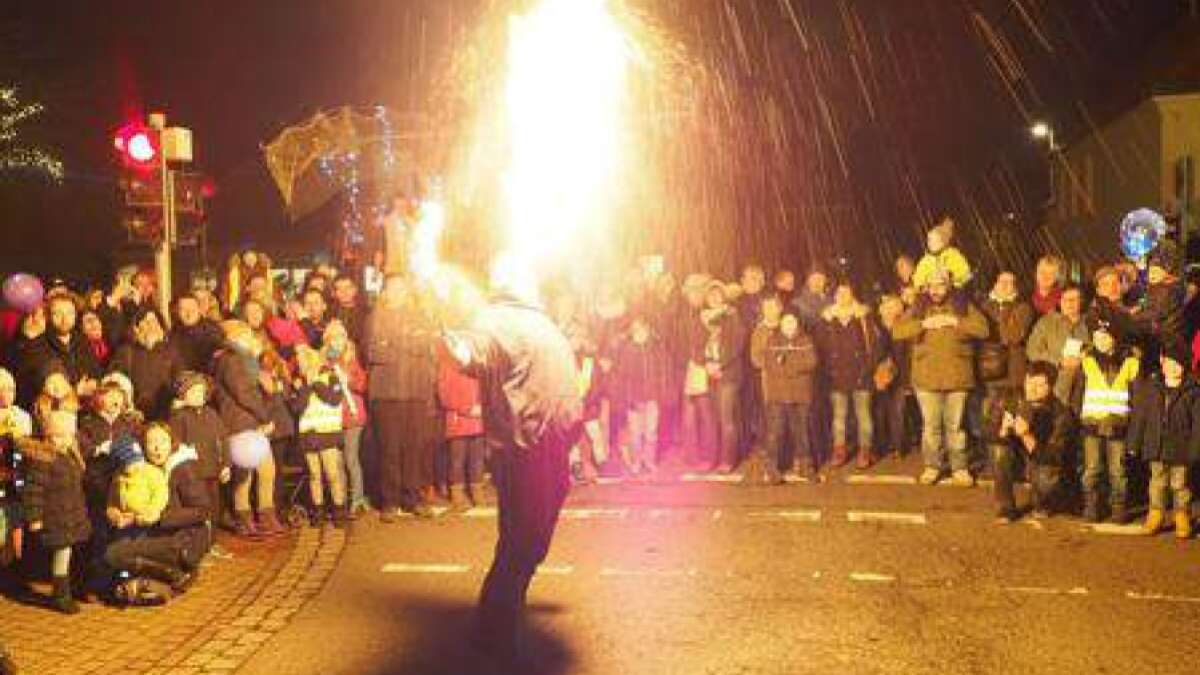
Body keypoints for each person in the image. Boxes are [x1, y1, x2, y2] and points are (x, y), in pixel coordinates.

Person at [442, 271, 583, 665]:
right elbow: (475, 352)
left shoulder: (538, 318)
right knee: (523, 543)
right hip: (525, 449)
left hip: (551, 444)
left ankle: (492, 625)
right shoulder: (496, 319)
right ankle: (496, 637)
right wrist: (458, 349)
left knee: (528, 543)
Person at [892, 271, 989, 485]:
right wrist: (923, 325)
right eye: (932, 286)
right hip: (926, 378)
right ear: (926, 288)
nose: (936, 290)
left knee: (955, 427)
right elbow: (897, 331)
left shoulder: (963, 305)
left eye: (941, 286)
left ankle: (959, 468)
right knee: (931, 426)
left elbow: (983, 330)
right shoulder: (917, 308)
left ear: (949, 286)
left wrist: (955, 321)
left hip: (957, 377)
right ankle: (932, 466)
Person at [104, 424, 207, 602]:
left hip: (183, 539)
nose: (157, 448)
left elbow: (203, 511)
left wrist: (160, 517)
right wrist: (115, 513)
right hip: (157, 533)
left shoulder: (183, 469)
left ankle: (175, 574)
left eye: (162, 441)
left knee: (115, 554)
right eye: (151, 442)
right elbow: (119, 499)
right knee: (116, 553)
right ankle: (150, 583)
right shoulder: (142, 470)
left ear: (172, 442)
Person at [367, 276, 440, 520]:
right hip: (386, 394)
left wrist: (394, 341)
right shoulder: (374, 318)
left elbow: (425, 346)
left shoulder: (420, 316)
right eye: (392, 288)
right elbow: (373, 351)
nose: (397, 292)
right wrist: (407, 341)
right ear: (384, 292)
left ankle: (413, 498)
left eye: (401, 288)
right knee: (389, 449)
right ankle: (390, 501)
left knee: (414, 448)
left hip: (415, 392)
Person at [213, 320, 282, 538]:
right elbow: (243, 393)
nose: (253, 338)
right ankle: (244, 518)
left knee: (265, 469)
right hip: (241, 421)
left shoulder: (243, 360)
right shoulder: (232, 360)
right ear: (237, 336)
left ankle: (265, 515)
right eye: (249, 334)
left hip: (248, 421)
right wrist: (264, 417)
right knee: (245, 472)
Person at [20, 410, 91, 613]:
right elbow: (34, 490)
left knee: (69, 552)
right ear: (48, 436)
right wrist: (35, 517)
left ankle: (68, 587)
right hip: (55, 517)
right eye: (58, 435)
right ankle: (60, 594)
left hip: (70, 515)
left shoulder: (71, 455)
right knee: (62, 553)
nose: (63, 440)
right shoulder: (44, 459)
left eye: (67, 435)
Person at [1127, 341, 1199, 538]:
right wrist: (1134, 442)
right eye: (1169, 362)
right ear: (1162, 362)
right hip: (1156, 446)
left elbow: (1197, 424)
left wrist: (1195, 449)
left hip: (1181, 449)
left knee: (1180, 484)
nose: (1173, 368)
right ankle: (1156, 513)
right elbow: (1140, 416)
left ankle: (1181, 514)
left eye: (1178, 364)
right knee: (1157, 483)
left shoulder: (1193, 391)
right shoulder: (1151, 387)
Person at [987, 362, 1075, 522]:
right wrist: (1003, 431)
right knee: (999, 451)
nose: (1032, 389)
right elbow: (990, 436)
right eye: (1029, 382)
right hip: (1017, 459)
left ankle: (1043, 503)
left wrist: (1026, 435)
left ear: (1051, 387)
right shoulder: (1010, 400)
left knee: (1047, 475)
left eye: (1039, 385)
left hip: (1042, 462)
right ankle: (1005, 508)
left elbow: (1053, 457)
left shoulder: (1061, 413)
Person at [1071, 324, 1139, 523]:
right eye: (1097, 337)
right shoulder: (1087, 361)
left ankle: (1118, 506)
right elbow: (1078, 393)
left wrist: (1132, 420)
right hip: (1091, 423)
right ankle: (1091, 505)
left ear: (1115, 338)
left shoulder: (1129, 363)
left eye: (1106, 337)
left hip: (1118, 424)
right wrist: (1078, 417)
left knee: (1117, 469)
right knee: (1092, 467)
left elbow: (1136, 395)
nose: (1101, 341)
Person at [816, 281, 883, 469]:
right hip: (836, 376)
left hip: (862, 375)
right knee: (839, 416)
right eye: (840, 293)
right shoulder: (827, 318)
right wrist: (827, 370)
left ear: (853, 295)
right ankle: (839, 451)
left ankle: (865, 451)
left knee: (864, 415)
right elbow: (820, 347)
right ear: (835, 296)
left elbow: (875, 346)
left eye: (847, 293)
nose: (843, 296)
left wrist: (868, 368)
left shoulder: (863, 316)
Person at [751, 313, 819, 483]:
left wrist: (786, 363)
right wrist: (794, 366)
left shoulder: (806, 340)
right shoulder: (773, 341)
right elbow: (770, 364)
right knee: (775, 432)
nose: (789, 325)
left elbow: (811, 362)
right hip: (778, 395)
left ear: (797, 323)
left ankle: (805, 466)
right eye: (786, 322)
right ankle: (771, 468)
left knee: (802, 432)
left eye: (792, 322)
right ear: (781, 324)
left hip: (800, 395)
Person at [291, 345, 348, 528]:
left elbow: (334, 399)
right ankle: (318, 511)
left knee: (332, 474)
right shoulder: (301, 383)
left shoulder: (331, 377)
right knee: (314, 474)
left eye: (302, 362)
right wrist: (304, 388)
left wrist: (315, 383)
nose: (299, 366)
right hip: (309, 433)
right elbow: (297, 408)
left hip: (328, 433)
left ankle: (339, 510)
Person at [15, 290, 101, 408]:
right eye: (58, 313)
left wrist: (94, 383)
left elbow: (95, 371)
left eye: (70, 313)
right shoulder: (39, 343)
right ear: (48, 316)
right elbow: (37, 385)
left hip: (87, 408)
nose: (65, 319)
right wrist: (75, 391)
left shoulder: (82, 341)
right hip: (56, 413)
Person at [609, 316, 671, 477]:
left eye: (642, 329)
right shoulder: (627, 350)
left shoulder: (656, 349)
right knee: (635, 433)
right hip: (634, 400)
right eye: (636, 330)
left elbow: (662, 373)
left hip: (652, 398)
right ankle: (636, 461)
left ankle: (648, 461)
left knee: (651, 432)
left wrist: (661, 394)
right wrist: (627, 399)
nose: (640, 333)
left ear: (648, 330)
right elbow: (622, 378)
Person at [168, 371, 230, 529]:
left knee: (214, 508)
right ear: (183, 395)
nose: (198, 395)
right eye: (193, 391)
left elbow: (224, 439)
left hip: (213, 471)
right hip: (193, 476)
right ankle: (199, 542)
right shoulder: (179, 417)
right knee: (197, 511)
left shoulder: (211, 414)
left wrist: (226, 465)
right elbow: (176, 447)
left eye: (201, 391)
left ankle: (212, 540)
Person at [321, 320, 370, 517]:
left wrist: (347, 380)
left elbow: (362, 384)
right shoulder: (324, 362)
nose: (337, 341)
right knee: (337, 462)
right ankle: (339, 499)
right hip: (332, 417)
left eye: (340, 337)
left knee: (351, 458)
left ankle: (357, 499)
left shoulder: (352, 361)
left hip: (352, 416)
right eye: (333, 338)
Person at [700, 281, 747, 473]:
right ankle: (712, 457)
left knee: (726, 418)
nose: (714, 299)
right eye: (710, 296)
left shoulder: (732, 316)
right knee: (712, 419)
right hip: (709, 373)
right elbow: (697, 343)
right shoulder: (703, 318)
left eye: (718, 295)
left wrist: (720, 364)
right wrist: (707, 363)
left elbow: (738, 343)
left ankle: (728, 460)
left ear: (723, 297)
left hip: (728, 373)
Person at [109, 307, 184, 421]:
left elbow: (181, 380)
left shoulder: (172, 352)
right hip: (134, 416)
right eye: (146, 322)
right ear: (136, 328)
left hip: (165, 416)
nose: (151, 326)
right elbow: (115, 381)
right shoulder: (126, 352)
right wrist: (127, 406)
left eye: (155, 322)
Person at [438, 354, 487, 512]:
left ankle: (476, 491)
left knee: (477, 459)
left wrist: (483, 407)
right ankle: (457, 494)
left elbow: (486, 389)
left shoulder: (478, 365)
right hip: (458, 421)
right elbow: (444, 394)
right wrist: (466, 408)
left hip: (478, 420)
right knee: (457, 460)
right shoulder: (448, 367)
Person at [1026, 285, 1091, 405]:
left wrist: (1085, 357)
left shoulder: (1090, 323)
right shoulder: (1046, 323)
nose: (1069, 303)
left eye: (1074, 299)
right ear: (1060, 302)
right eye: (1066, 300)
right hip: (1057, 386)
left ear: (1081, 302)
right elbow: (1032, 350)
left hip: (1086, 386)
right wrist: (1059, 361)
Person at [875, 295, 913, 459]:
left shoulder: (904, 327)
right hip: (877, 375)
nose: (891, 311)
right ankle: (882, 445)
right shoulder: (874, 327)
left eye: (894, 307)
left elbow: (908, 355)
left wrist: (908, 381)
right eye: (887, 308)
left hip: (900, 376)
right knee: (879, 411)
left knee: (897, 412)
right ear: (881, 310)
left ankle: (898, 446)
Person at [911, 218, 972, 290]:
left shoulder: (953, 254)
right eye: (929, 240)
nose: (931, 243)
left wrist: (952, 281)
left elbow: (966, 275)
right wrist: (927, 285)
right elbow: (917, 283)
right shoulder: (925, 261)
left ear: (942, 240)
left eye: (935, 239)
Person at [172, 294, 224, 373]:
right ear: (178, 312)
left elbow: (216, 360)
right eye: (183, 310)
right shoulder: (174, 332)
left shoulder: (212, 331)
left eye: (192, 310)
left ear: (199, 310)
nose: (188, 314)